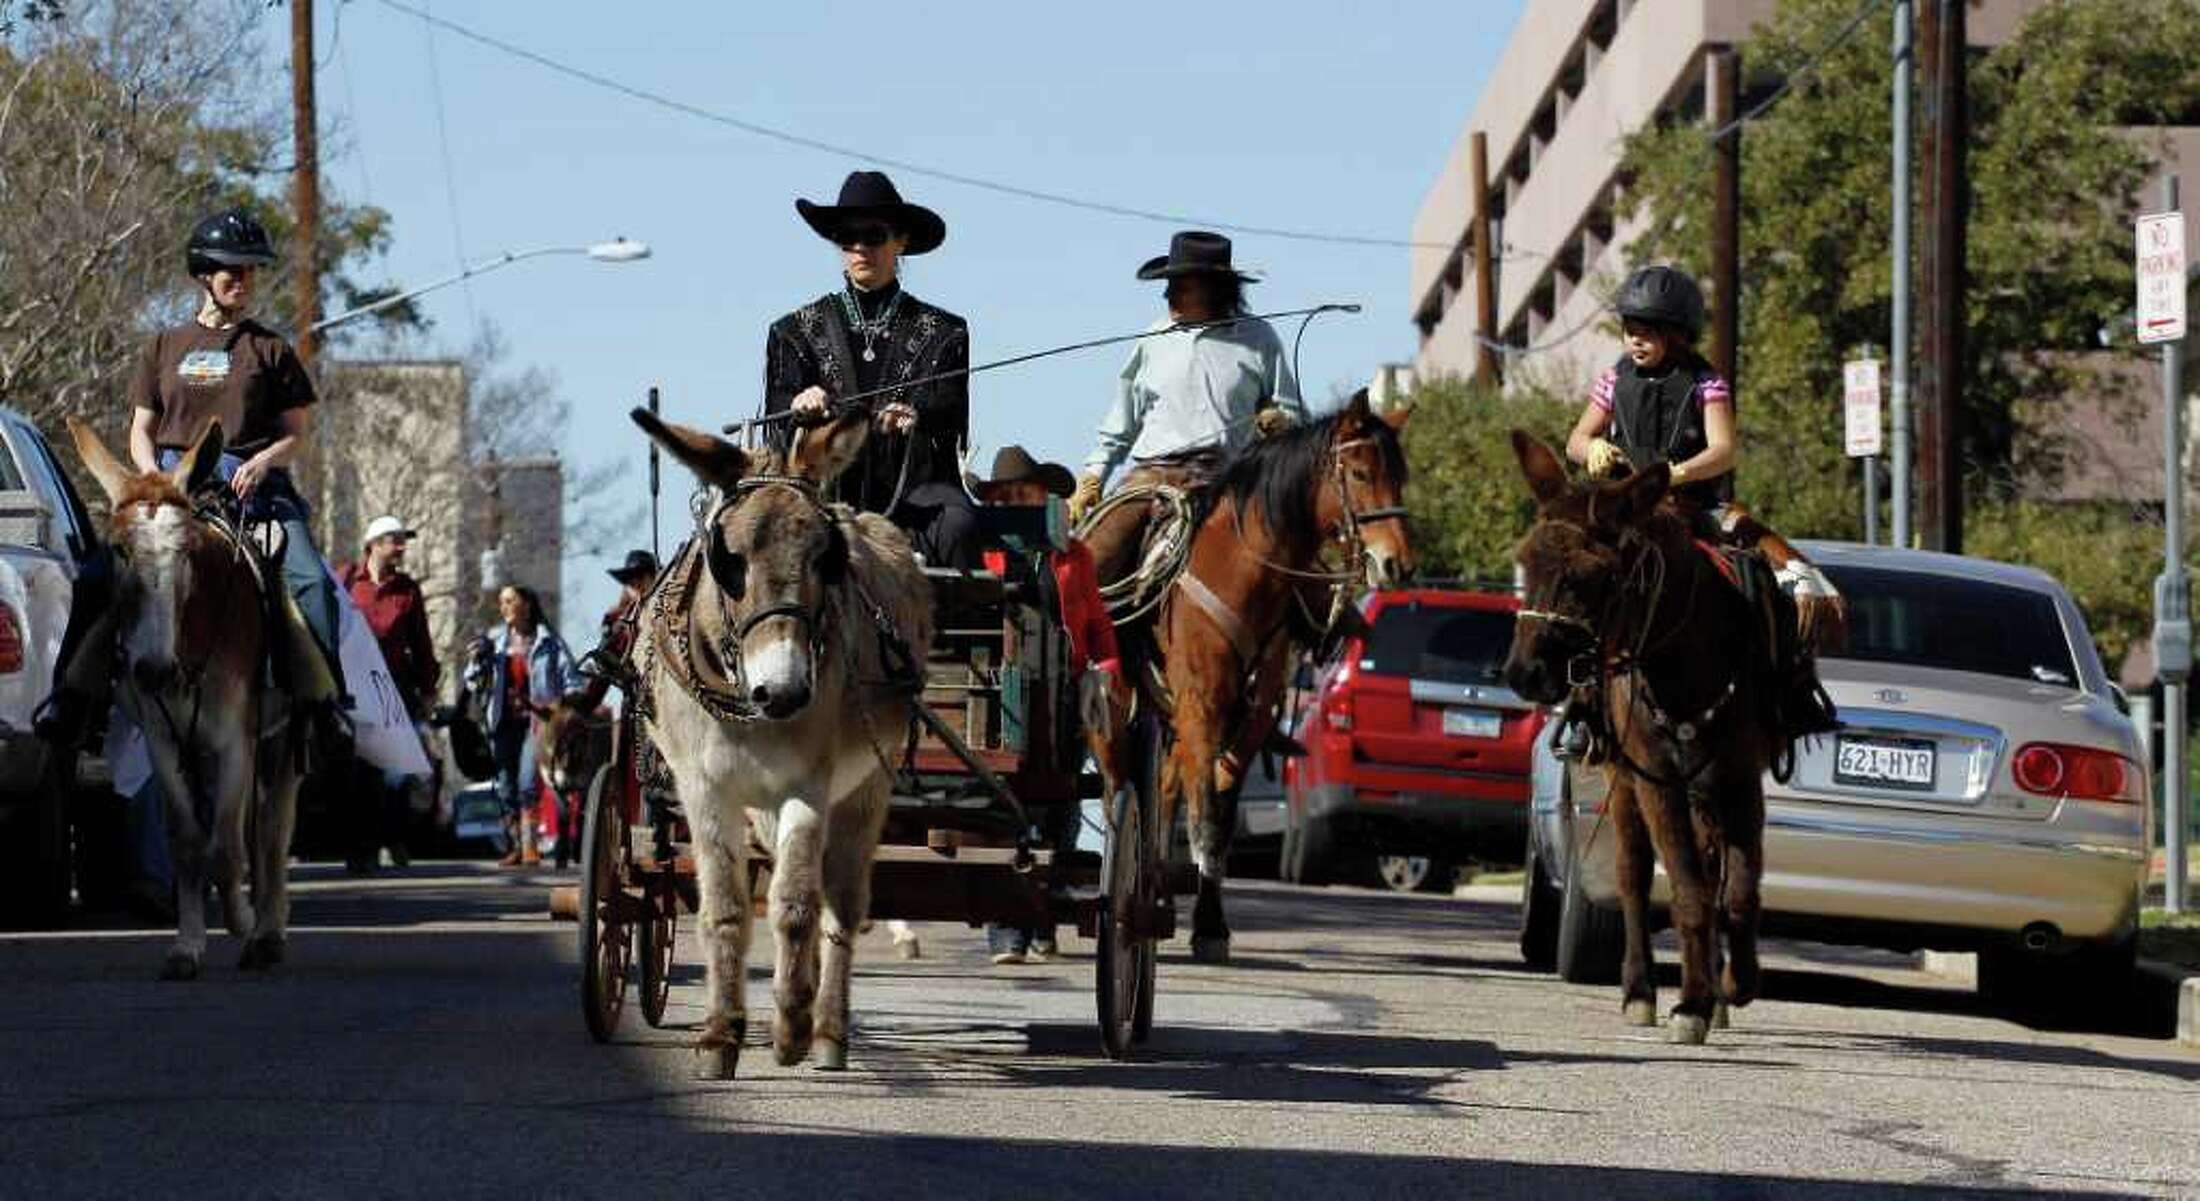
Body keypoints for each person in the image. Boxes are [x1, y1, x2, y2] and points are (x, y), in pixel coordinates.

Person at [36, 207, 344, 751]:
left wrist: (263, 461)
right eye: (233, 270)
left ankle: (323, 708)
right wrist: (153, 476)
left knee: (312, 583)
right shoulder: (162, 347)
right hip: (173, 489)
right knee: (97, 576)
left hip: (253, 491)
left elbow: (298, 432)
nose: (244, 281)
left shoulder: (269, 349)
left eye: (251, 271)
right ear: (204, 273)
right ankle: (73, 698)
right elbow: (140, 430)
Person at [1561, 264, 1842, 741]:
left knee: (1763, 577)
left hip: (1696, 504)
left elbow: (1724, 449)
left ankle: (1788, 691)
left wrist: (1680, 472)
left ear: (1677, 335)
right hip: (1628, 508)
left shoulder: (1706, 382)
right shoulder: (1613, 379)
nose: (1635, 341)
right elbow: (1575, 438)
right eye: (1631, 330)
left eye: (1648, 332)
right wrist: (1592, 450)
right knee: (1577, 575)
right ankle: (1584, 708)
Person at [763, 170, 978, 568]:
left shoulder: (947, 332)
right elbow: (776, 411)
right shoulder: (792, 332)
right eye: (848, 238)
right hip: (824, 486)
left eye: (874, 236)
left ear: (901, 242)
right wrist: (800, 402)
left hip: (918, 489)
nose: (860, 247)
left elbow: (950, 410)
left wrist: (917, 416)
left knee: (959, 525)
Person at [1070, 231, 1306, 588]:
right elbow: (1120, 425)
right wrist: (1092, 478)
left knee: (1301, 568)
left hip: (1232, 478)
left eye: (1179, 286)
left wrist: (1280, 423)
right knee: (1085, 567)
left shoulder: (1259, 339)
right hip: (1153, 477)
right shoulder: (1152, 340)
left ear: (1213, 288)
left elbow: (1295, 421)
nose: (1167, 295)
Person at [966, 447, 1122, 964]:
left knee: (1061, 808)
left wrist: (1106, 670)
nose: (1017, 502)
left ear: (1044, 496)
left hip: (1062, 690)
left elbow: (1097, 624)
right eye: (1007, 496)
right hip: (995, 695)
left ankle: (1045, 910)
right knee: (1005, 812)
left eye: (1025, 494)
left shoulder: (1074, 554)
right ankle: (1007, 928)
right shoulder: (979, 550)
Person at [339, 515, 441, 871]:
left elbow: (422, 645)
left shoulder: (407, 590)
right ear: (374, 544)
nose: (401, 548)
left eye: (402, 541)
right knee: (358, 769)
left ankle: (390, 838)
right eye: (395, 541)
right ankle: (359, 848)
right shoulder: (347, 580)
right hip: (351, 686)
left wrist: (428, 691)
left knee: (393, 769)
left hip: (393, 688)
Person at [466, 585, 579, 868]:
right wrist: (476, 659)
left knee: (528, 781)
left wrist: (559, 704)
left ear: (526, 605)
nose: (503, 607)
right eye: (501, 602)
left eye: (510, 601)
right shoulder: (493, 641)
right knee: (505, 786)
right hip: (502, 722)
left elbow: (574, 679)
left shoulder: (549, 641)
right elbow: (471, 681)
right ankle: (516, 845)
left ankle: (530, 846)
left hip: (536, 723)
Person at [568, 549, 658, 713]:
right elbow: (606, 664)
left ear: (654, 577)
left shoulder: (668, 610)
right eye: (630, 580)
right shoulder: (616, 621)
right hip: (637, 702)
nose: (636, 583)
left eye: (641, 576)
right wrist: (584, 706)